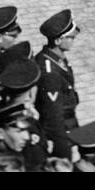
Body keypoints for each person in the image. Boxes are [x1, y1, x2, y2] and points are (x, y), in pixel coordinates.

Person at [34, 11, 79, 161]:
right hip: (61, 129)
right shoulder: (49, 72)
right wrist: (63, 147)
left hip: (69, 121)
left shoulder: (57, 58)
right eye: (71, 38)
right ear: (59, 41)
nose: (73, 41)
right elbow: (53, 115)